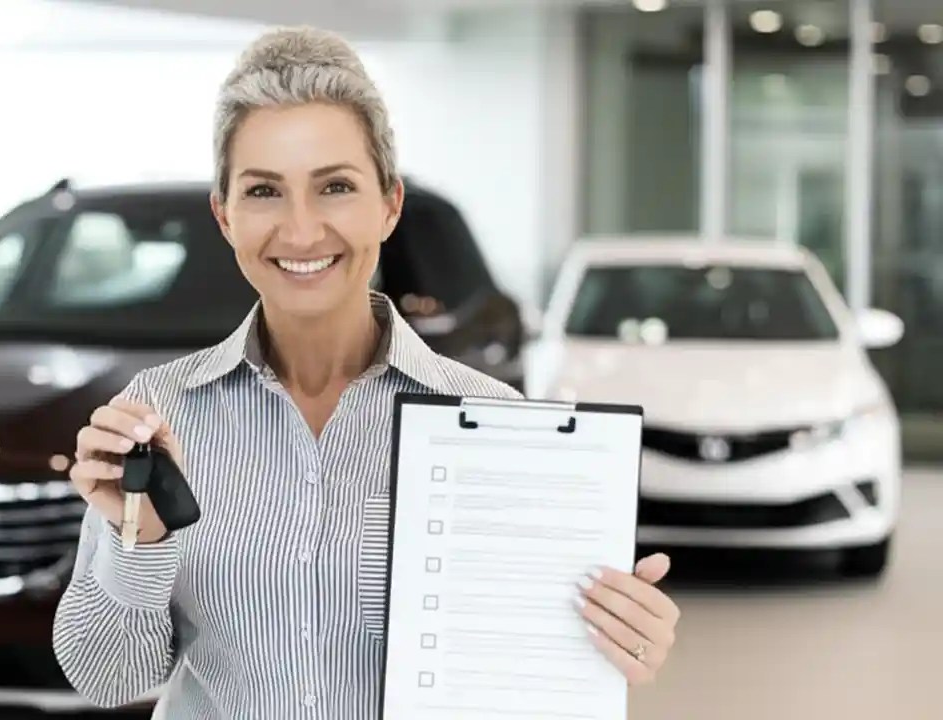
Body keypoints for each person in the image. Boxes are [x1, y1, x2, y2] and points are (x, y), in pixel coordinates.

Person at [53, 26, 681, 719]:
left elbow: (522, 675)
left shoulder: (494, 420)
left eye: (335, 187)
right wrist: (140, 538)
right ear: (224, 215)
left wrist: (612, 640)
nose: (300, 231)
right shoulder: (157, 414)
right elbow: (108, 678)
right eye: (263, 191)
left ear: (389, 205)